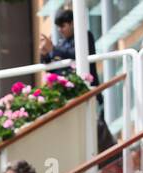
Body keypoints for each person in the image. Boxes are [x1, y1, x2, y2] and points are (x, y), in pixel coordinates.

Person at [38, 9, 116, 158]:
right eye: (59, 27)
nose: (60, 30)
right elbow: (50, 64)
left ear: (73, 23)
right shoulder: (62, 43)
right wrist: (44, 53)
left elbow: (75, 55)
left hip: (89, 94)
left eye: (63, 26)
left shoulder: (85, 36)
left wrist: (53, 49)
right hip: (71, 97)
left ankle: (112, 160)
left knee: (98, 134)